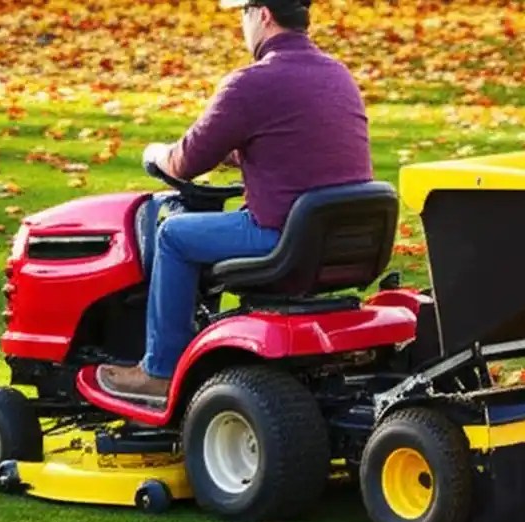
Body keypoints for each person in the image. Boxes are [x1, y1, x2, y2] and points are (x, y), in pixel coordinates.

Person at [97, 0, 373, 404]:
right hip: (340, 239)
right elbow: (295, 144)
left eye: (243, 12)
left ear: (263, 15)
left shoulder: (251, 83)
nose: (242, 23)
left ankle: (159, 370)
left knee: (172, 234)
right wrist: (240, 153)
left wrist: (157, 154)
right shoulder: (337, 75)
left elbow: (184, 162)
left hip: (281, 238)